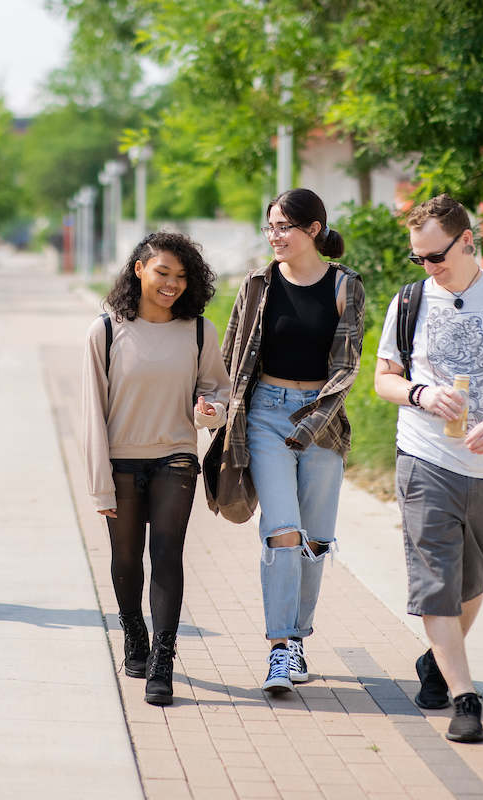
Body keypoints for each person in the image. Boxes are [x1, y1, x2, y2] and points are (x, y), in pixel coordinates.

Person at [374, 194, 483, 742]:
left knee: (471, 582)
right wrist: (420, 394)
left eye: (436, 256)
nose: (427, 267)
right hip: (424, 458)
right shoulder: (409, 302)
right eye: (417, 257)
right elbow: (384, 379)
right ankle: (465, 697)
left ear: (468, 241)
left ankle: (435, 661)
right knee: (435, 580)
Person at [221, 188, 366, 694]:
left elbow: (346, 369)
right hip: (265, 415)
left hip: (323, 421)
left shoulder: (346, 287)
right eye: (270, 227)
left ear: (314, 230)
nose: (275, 236)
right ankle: (281, 648)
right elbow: (231, 354)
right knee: (282, 530)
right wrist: (215, 407)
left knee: (315, 540)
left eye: (284, 226)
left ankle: (300, 637)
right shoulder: (257, 286)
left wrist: (310, 425)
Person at [81, 231, 231, 706]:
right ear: (139, 269)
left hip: (175, 457)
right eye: (162, 272)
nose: (172, 284)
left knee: (167, 553)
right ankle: (134, 635)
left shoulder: (200, 330)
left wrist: (212, 412)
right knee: (126, 559)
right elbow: (92, 413)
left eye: (182, 276)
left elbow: (218, 391)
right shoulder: (104, 331)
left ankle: (162, 661)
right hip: (122, 460)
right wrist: (99, 485)